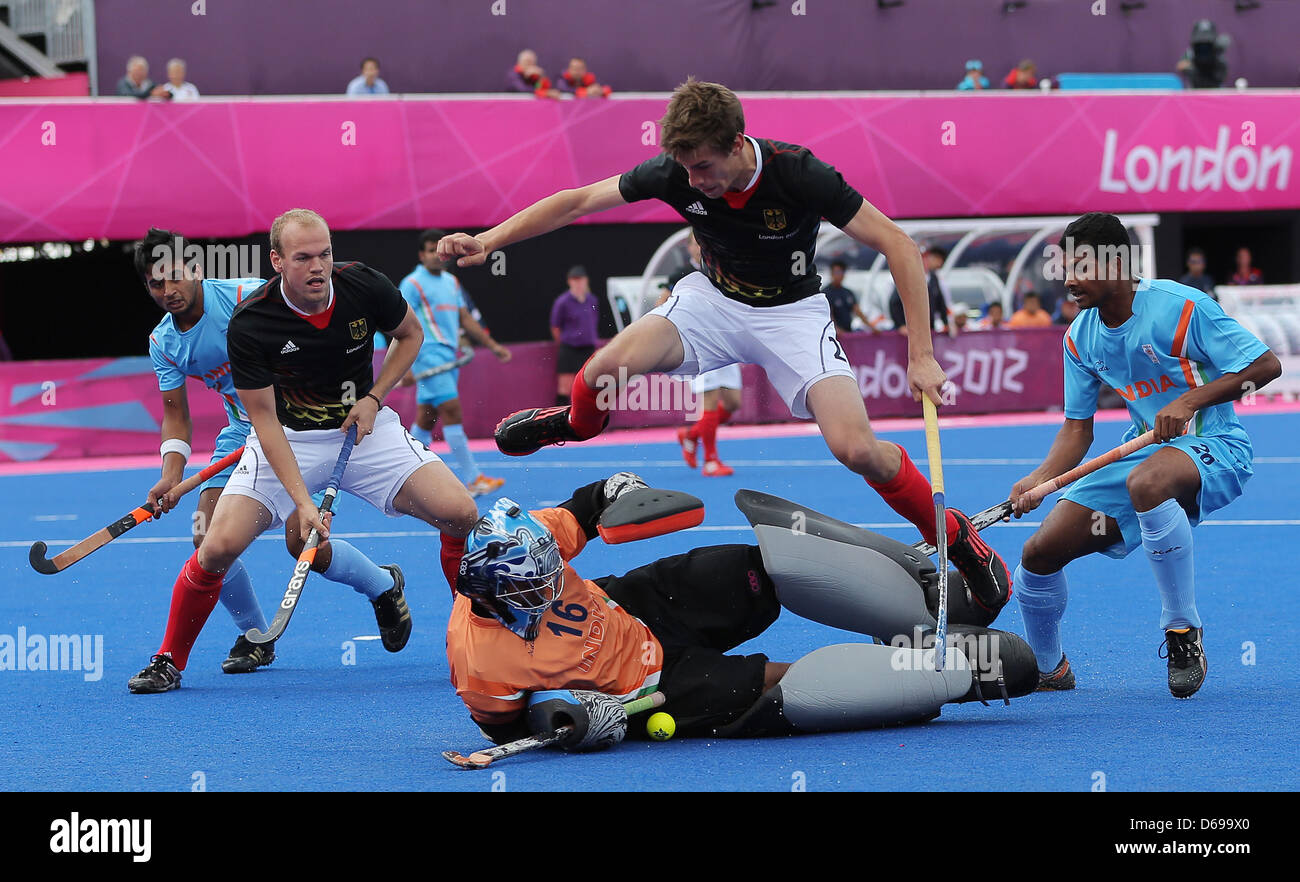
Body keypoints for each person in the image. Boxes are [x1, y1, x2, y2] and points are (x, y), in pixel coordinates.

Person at [439, 78, 1011, 613]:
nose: (693, 181)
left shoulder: (801, 173)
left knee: (857, 450)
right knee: (601, 372)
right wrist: (489, 240)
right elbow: (576, 201)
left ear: (738, 143)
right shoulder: (674, 172)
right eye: (685, 169)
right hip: (711, 303)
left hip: (792, 314)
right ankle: (576, 425)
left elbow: (899, 246)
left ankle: (959, 539)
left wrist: (921, 354)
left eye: (704, 168)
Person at [127, 209, 480, 693]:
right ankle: (174, 658)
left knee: (461, 513)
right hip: (278, 431)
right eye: (303, 258)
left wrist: (374, 398)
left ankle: (476, 636)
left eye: (324, 254)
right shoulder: (249, 320)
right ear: (278, 262)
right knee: (215, 545)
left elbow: (409, 334)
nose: (317, 267)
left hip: (365, 430)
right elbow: (261, 420)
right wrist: (302, 500)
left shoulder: (360, 286)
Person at [446, 475, 1036, 747]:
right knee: (784, 693)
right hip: (649, 688)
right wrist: (566, 716)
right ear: (495, 595)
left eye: (554, 574)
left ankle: (935, 602)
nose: (552, 588)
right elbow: (506, 728)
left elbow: (589, 500)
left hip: (635, 605)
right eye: (538, 588)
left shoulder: (529, 536)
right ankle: (945, 672)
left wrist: (622, 492)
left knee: (771, 561)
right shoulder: (479, 663)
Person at [1009, 212, 1281, 698]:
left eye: (1082, 266)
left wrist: (1190, 400)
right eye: (1066, 267)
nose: (1069, 279)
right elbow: (1077, 431)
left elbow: (1265, 365)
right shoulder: (1079, 337)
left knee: (1147, 484)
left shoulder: (1180, 307)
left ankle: (1182, 632)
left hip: (1215, 445)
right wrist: (1042, 477)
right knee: (1039, 553)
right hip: (1145, 454)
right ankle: (1050, 669)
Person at [137, 228, 272, 676]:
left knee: (302, 541)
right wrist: (170, 475)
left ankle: (382, 585)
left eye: (175, 277)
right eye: (156, 284)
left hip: (300, 425)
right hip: (242, 431)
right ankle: (257, 637)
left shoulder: (247, 296)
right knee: (205, 536)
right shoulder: (164, 343)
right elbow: (176, 417)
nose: (168, 291)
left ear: (196, 270)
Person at [398, 229, 511, 498]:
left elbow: (464, 319)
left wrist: (493, 346)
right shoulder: (412, 284)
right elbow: (401, 326)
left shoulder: (452, 283)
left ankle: (404, 474)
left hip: (449, 359)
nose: (433, 257)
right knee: (452, 411)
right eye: (427, 251)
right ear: (420, 255)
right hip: (429, 356)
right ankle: (474, 479)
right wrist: (407, 366)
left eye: (436, 251)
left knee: (426, 418)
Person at [656, 231, 742, 477]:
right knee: (711, 402)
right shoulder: (680, 274)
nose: (701, 246)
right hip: (700, 344)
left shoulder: (720, 268)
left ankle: (690, 435)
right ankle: (711, 461)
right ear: (689, 247)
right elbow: (661, 304)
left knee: (734, 403)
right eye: (696, 243)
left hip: (725, 341)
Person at [549, 266, 600, 407]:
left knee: (589, 385)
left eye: (580, 280)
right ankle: (559, 421)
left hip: (588, 348)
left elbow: (593, 321)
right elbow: (555, 327)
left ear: (586, 281)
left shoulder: (592, 300)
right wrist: (566, 343)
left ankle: (588, 421)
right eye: (574, 280)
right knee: (565, 387)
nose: (578, 283)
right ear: (569, 282)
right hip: (569, 349)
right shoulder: (562, 302)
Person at [888, 246, 949, 336]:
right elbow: (894, 302)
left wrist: (946, 322)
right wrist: (900, 325)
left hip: (929, 326)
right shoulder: (909, 276)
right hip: (911, 328)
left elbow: (940, 302)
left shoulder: (933, 277)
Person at [823, 258, 876, 334]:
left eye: (841, 272)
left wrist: (871, 327)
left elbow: (857, 311)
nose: (839, 275)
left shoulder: (847, 293)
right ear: (831, 273)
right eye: (836, 272)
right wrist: (836, 329)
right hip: (833, 333)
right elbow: (827, 314)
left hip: (848, 331)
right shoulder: (826, 293)